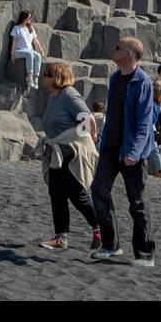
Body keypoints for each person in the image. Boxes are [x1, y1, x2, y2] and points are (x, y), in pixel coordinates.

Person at [90, 37, 157, 266]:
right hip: (110, 148)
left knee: (137, 202)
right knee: (98, 190)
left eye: (117, 47)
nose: (113, 49)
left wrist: (135, 152)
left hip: (132, 152)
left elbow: (144, 122)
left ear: (128, 54)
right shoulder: (116, 77)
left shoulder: (143, 82)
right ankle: (111, 244)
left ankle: (145, 255)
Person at [38, 63, 102, 250]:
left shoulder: (69, 94)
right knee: (56, 194)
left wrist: (86, 137)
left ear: (55, 77)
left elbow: (88, 118)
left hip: (72, 154)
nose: (43, 77)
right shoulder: (53, 97)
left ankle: (99, 230)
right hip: (57, 154)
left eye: (46, 74)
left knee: (78, 195)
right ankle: (61, 237)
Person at [9, 11, 47, 89]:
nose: (30, 19)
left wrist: (42, 51)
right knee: (30, 54)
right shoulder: (17, 28)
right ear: (24, 18)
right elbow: (14, 42)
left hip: (29, 50)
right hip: (18, 51)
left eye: (30, 18)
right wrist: (12, 55)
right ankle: (29, 77)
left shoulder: (30, 28)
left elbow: (35, 41)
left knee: (38, 56)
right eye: (29, 18)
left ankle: (36, 78)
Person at [146, 79, 161, 178]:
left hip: (149, 127)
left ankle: (160, 170)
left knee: (153, 150)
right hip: (153, 126)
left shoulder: (150, 104)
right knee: (151, 149)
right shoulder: (158, 105)